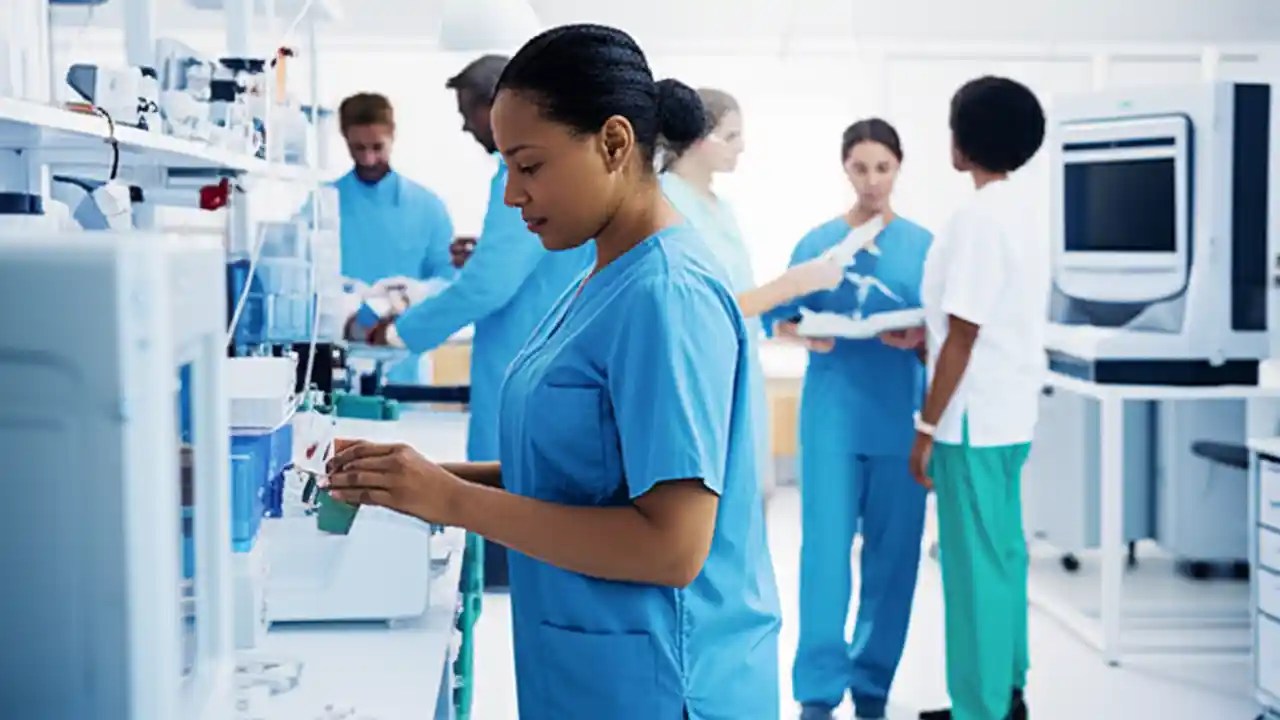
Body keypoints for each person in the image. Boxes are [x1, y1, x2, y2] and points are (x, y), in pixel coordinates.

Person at [325, 23, 781, 720]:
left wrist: (453, 503)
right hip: (599, 673)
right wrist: (417, 479)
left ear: (615, 143)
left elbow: (672, 546)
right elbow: (583, 478)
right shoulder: (603, 274)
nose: (512, 195)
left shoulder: (666, 295)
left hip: (667, 684)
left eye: (529, 166)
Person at [355, 54, 596, 588]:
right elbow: (524, 256)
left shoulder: (516, 171)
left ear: (499, 103)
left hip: (526, 350)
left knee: (509, 503)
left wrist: (401, 332)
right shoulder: (546, 167)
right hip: (538, 342)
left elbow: (491, 284)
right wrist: (485, 251)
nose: (465, 125)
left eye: (469, 111)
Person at [762, 119, 933, 720]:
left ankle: (873, 686)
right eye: (860, 168)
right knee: (825, 555)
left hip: (899, 417)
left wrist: (919, 339)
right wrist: (797, 333)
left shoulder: (925, 246)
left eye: (883, 168)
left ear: (899, 168)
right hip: (832, 417)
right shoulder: (816, 243)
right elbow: (773, 313)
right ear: (844, 168)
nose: (872, 180)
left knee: (894, 557)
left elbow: (950, 331)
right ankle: (817, 690)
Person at [904, 76, 1047, 720]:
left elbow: (963, 333)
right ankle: (1005, 690)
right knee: (1003, 560)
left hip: (969, 425)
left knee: (972, 574)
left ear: (966, 141)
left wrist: (926, 428)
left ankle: (979, 708)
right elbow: (974, 321)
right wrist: (923, 336)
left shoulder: (976, 217)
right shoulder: (1020, 208)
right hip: (1009, 414)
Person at [659, 88, 846, 502]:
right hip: (698, 377)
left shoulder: (718, 208)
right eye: (731, 136)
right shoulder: (667, 203)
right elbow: (704, 307)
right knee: (713, 503)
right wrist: (796, 283)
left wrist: (785, 328)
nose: (741, 148)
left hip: (736, 368)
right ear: (695, 138)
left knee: (751, 496)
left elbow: (739, 300)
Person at [334, 92, 456, 384]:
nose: (368, 158)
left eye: (377, 146)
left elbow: (451, 280)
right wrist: (346, 298)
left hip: (406, 363)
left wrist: (413, 293)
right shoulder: (323, 204)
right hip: (341, 361)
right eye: (357, 148)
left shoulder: (427, 206)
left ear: (393, 136)